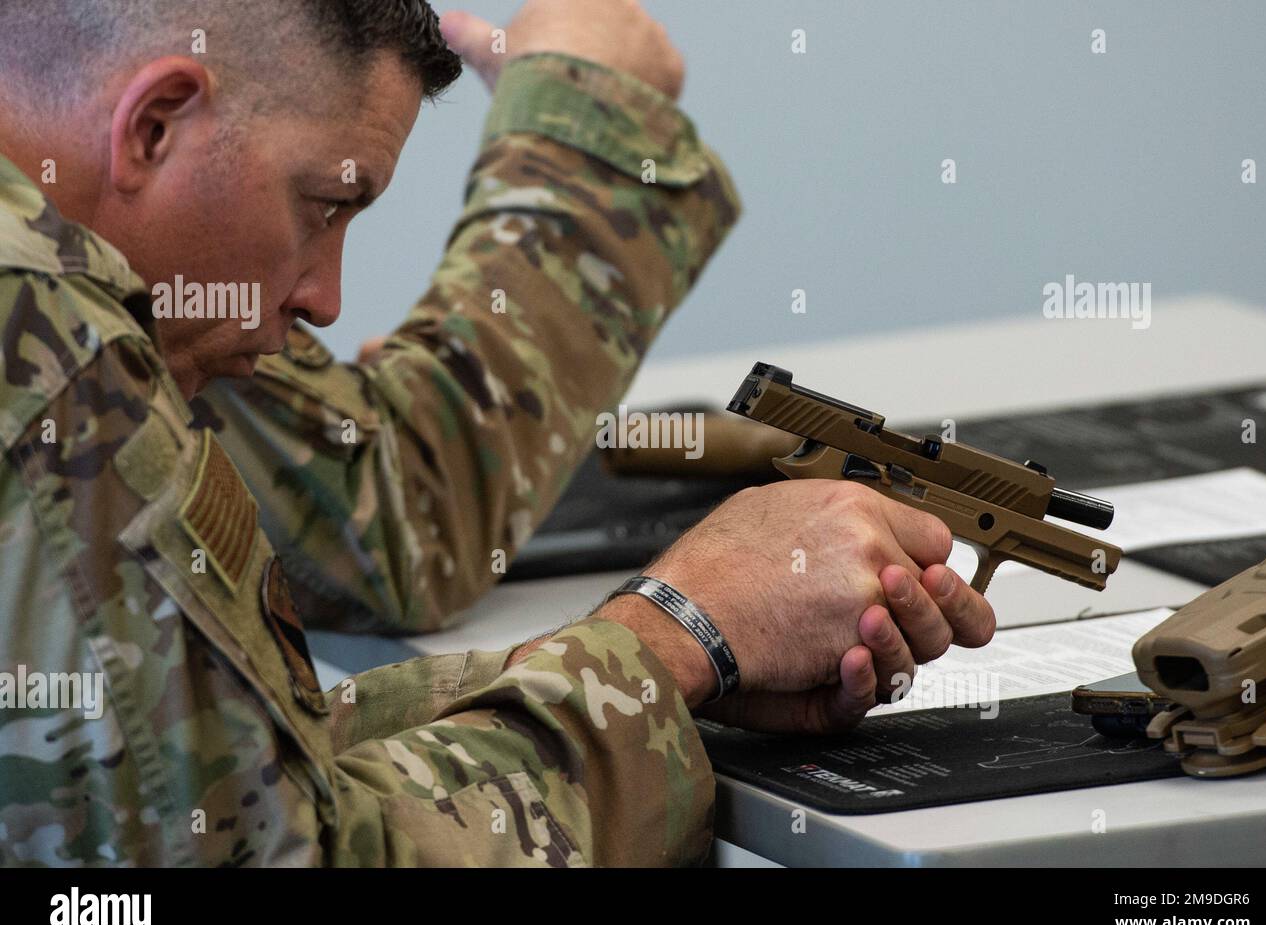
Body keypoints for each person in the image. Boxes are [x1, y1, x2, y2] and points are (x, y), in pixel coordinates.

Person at [0, 0, 995, 866]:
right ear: (157, 123)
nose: (328, 299)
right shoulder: (46, 336)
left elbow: (182, 789)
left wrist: (657, 662)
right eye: (326, 203)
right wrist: (674, 635)